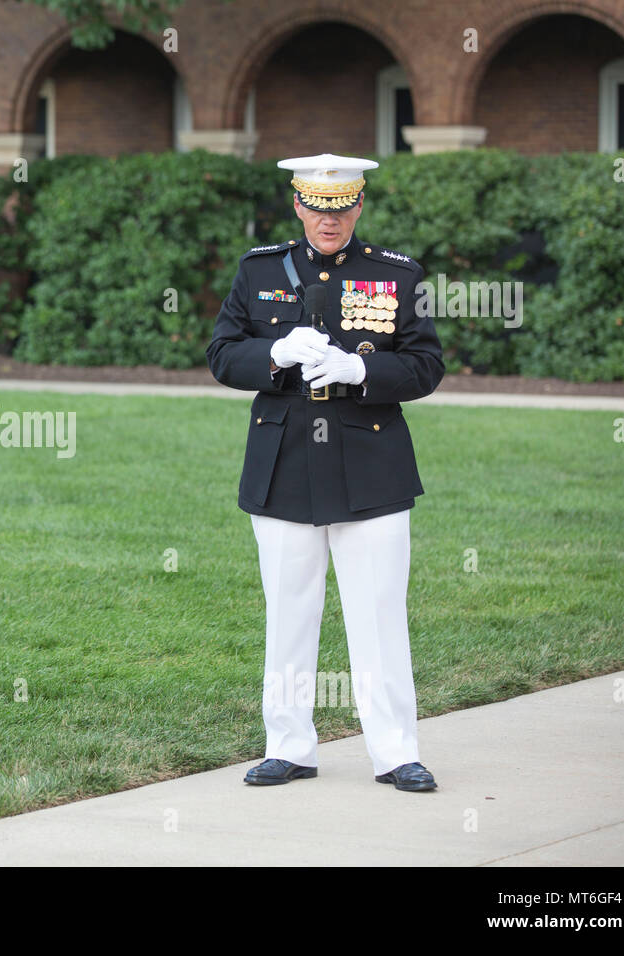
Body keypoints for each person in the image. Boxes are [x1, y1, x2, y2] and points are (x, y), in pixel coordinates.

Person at [206, 154, 444, 792]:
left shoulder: (395, 275)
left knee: (378, 613)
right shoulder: (259, 270)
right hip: (284, 462)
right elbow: (223, 354)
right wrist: (275, 355)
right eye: (316, 206)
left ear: (358, 206)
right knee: (287, 612)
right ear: (297, 205)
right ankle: (288, 745)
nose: (328, 219)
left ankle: (395, 752)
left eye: (341, 208)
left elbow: (425, 365)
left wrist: (362, 371)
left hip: (370, 460)